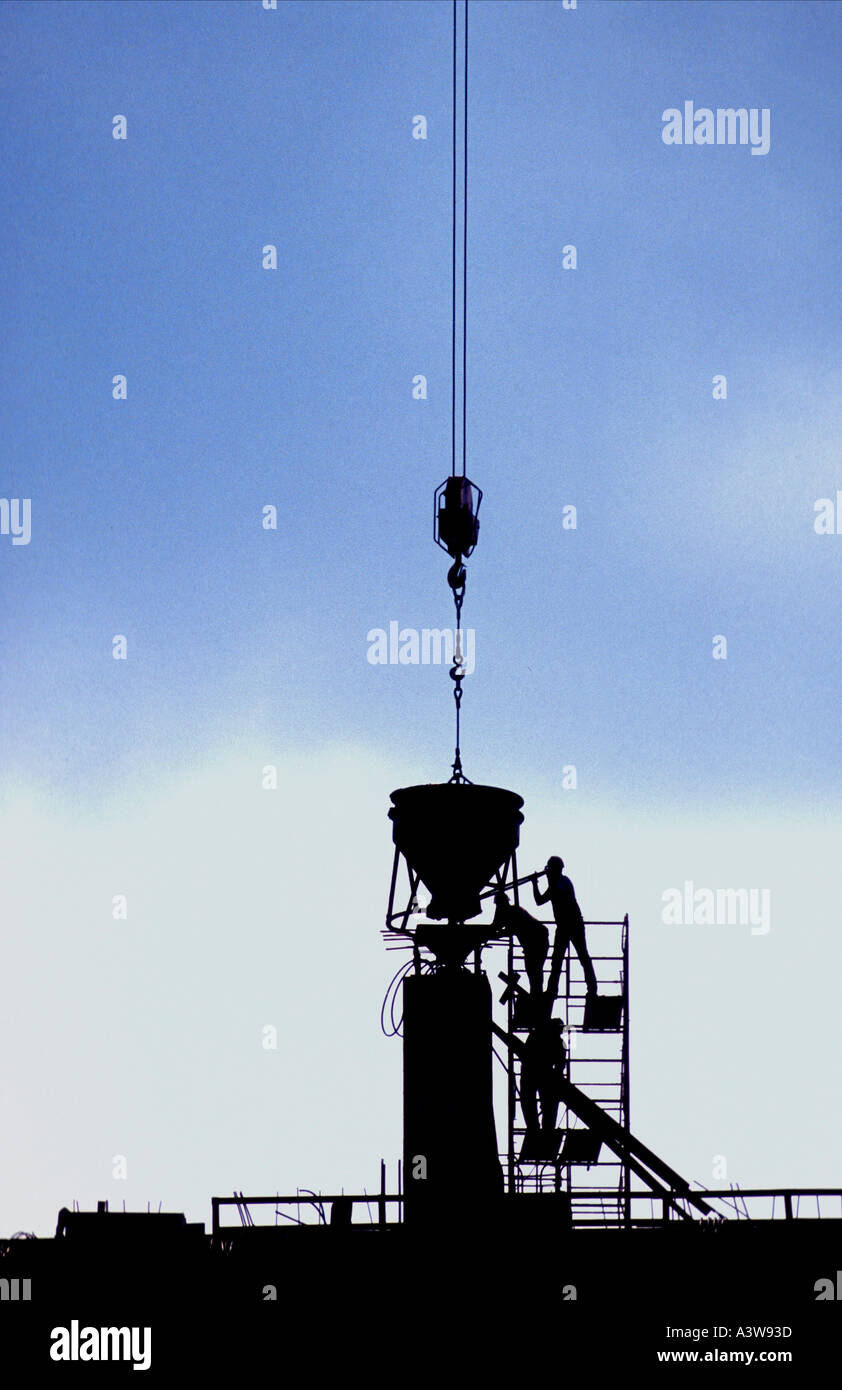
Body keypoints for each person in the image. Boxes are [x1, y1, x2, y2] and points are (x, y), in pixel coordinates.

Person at [532, 855, 598, 999]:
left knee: (582, 956)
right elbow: (539, 901)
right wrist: (534, 884)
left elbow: (556, 891)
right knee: (557, 960)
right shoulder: (556, 883)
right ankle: (551, 990)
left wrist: (546, 879)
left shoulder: (563, 882)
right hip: (563, 926)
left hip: (573, 924)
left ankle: (592, 988)